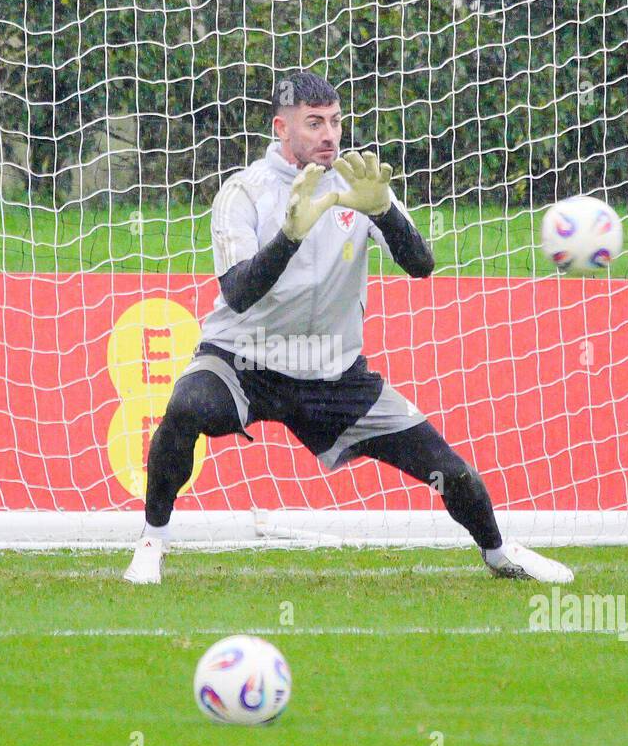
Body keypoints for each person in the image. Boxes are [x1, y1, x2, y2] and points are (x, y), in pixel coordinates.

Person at [123, 71, 573, 586]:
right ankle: (153, 541)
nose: (329, 135)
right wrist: (290, 234)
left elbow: (421, 265)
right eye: (313, 123)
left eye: (335, 121)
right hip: (242, 362)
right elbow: (238, 292)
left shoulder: (358, 183)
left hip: (334, 373)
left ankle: (499, 554)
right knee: (187, 407)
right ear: (281, 128)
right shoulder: (243, 192)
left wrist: (383, 211)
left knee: (447, 468)